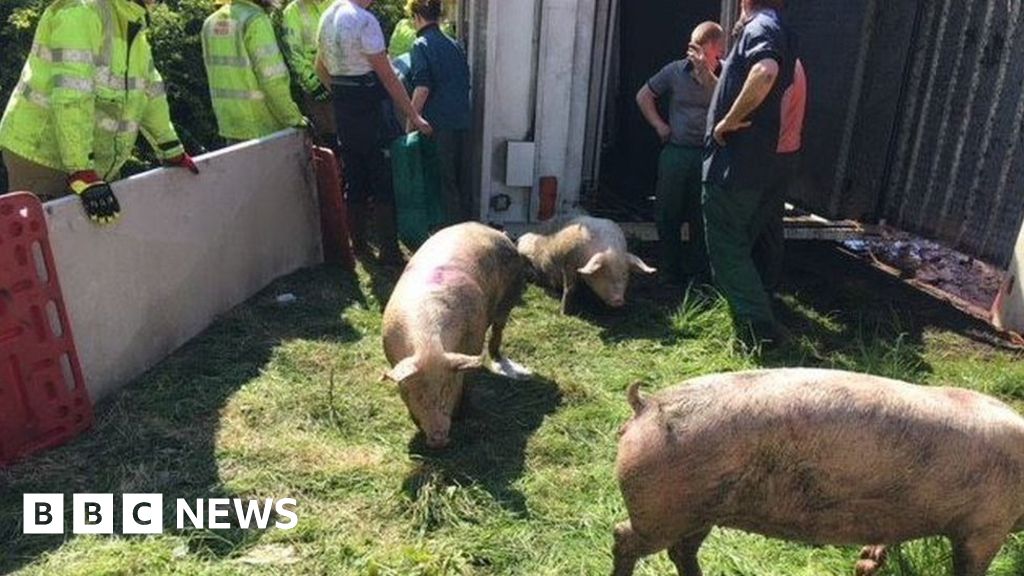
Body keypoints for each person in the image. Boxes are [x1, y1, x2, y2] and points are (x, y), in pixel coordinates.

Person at [0, 0, 198, 224]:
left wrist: (170, 148)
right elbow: (72, 96)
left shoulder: (131, 18)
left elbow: (149, 90)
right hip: (42, 154)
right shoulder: (83, 10)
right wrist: (81, 170)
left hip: (88, 162)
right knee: (45, 246)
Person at [702, 0, 795, 345]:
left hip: (734, 166)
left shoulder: (761, 26)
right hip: (752, 165)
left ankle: (761, 332)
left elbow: (765, 71)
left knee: (726, 249)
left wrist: (727, 121)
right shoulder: (777, 26)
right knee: (739, 245)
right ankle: (750, 320)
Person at [316, 0, 432, 265]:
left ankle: (358, 246)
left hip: (345, 105)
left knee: (355, 176)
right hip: (370, 107)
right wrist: (414, 115)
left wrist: (342, 94)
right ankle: (389, 251)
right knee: (382, 178)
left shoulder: (328, 16)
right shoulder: (364, 21)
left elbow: (320, 68)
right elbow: (388, 77)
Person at [636, 22, 724, 285]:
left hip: (708, 154)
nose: (719, 54)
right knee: (667, 211)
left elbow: (728, 99)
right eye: (715, 49)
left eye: (718, 51)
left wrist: (707, 72)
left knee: (702, 214)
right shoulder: (674, 71)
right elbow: (643, 96)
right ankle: (669, 267)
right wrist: (659, 125)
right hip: (677, 150)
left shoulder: (726, 72)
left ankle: (698, 271)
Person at [202, 0, 306, 144]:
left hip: (230, 125)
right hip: (264, 127)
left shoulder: (210, 23)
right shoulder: (255, 20)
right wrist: (295, 120)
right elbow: (272, 80)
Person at [407, 0, 472, 224]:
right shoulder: (454, 45)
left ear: (416, 17)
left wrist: (411, 119)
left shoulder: (421, 45)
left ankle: (449, 237)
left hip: (438, 125)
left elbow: (422, 87)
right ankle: (467, 232)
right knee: (460, 182)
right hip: (462, 122)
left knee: (444, 184)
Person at [754, 54, 807, 294]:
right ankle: (768, 284)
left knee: (758, 219)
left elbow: (773, 117)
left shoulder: (778, 68)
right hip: (786, 152)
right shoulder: (794, 63)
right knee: (771, 219)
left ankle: (762, 285)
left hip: (770, 154)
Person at [281, 0, 336, 147]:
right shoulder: (293, 11)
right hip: (317, 86)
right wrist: (314, 84)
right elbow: (293, 53)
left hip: (343, 78)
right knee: (328, 137)